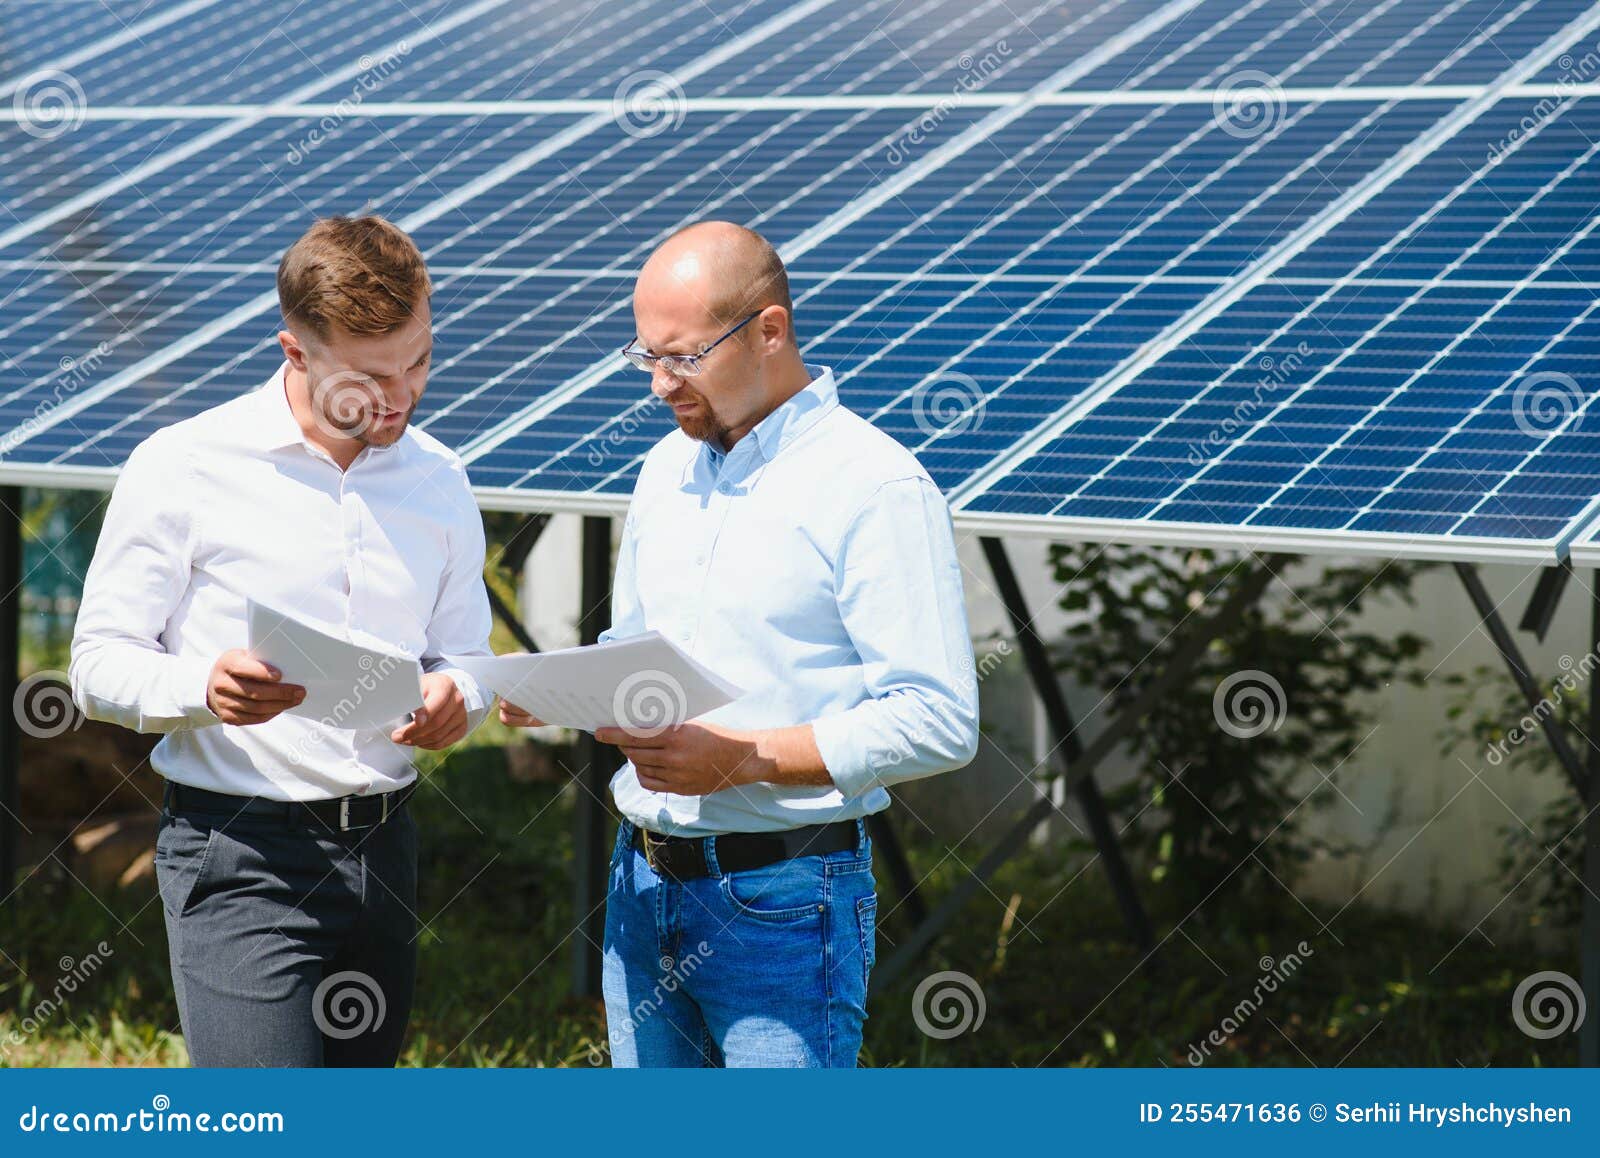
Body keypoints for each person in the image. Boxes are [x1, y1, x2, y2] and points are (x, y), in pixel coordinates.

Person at [501, 221, 979, 1067]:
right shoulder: (664, 471)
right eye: (644, 355)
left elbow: (938, 720)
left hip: (784, 900)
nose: (657, 384)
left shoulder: (875, 486)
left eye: (682, 357)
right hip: (640, 885)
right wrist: (564, 693)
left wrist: (747, 759)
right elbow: (636, 657)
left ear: (768, 330)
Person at [70, 215, 495, 1067]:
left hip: (387, 852)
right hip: (240, 855)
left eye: (419, 361)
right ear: (295, 352)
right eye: (372, 377)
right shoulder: (184, 465)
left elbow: (466, 655)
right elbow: (94, 665)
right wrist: (203, 688)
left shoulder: (440, 480)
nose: (403, 395)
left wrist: (461, 696)